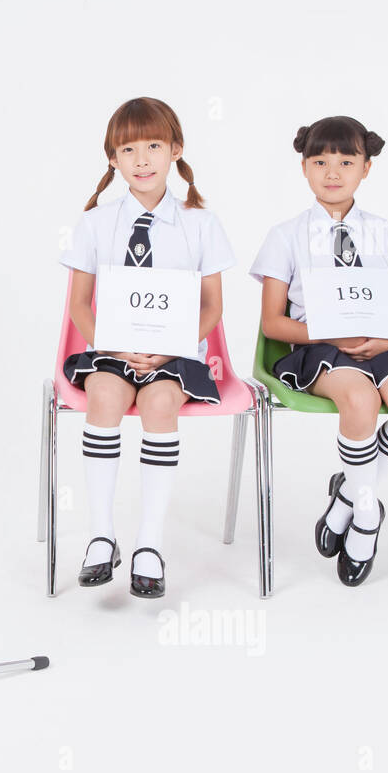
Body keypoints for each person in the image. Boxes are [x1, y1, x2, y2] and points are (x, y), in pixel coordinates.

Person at [249, 115, 388, 586]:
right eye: (320, 161)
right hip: (319, 349)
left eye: (346, 161)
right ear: (304, 167)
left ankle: (349, 495)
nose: (332, 172)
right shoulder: (285, 235)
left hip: (380, 346)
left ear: (366, 168)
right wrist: (325, 331)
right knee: (359, 399)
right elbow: (273, 321)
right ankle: (368, 515)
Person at [60, 97, 234, 598]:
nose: (142, 160)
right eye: (128, 148)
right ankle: (100, 535)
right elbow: (79, 306)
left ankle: (150, 543)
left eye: (154, 146)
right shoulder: (95, 223)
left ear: (175, 150)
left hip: (175, 355)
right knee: (105, 397)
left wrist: (168, 349)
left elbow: (212, 308)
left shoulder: (201, 223)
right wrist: (114, 344)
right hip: (112, 349)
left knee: (160, 403)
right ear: (112, 158)